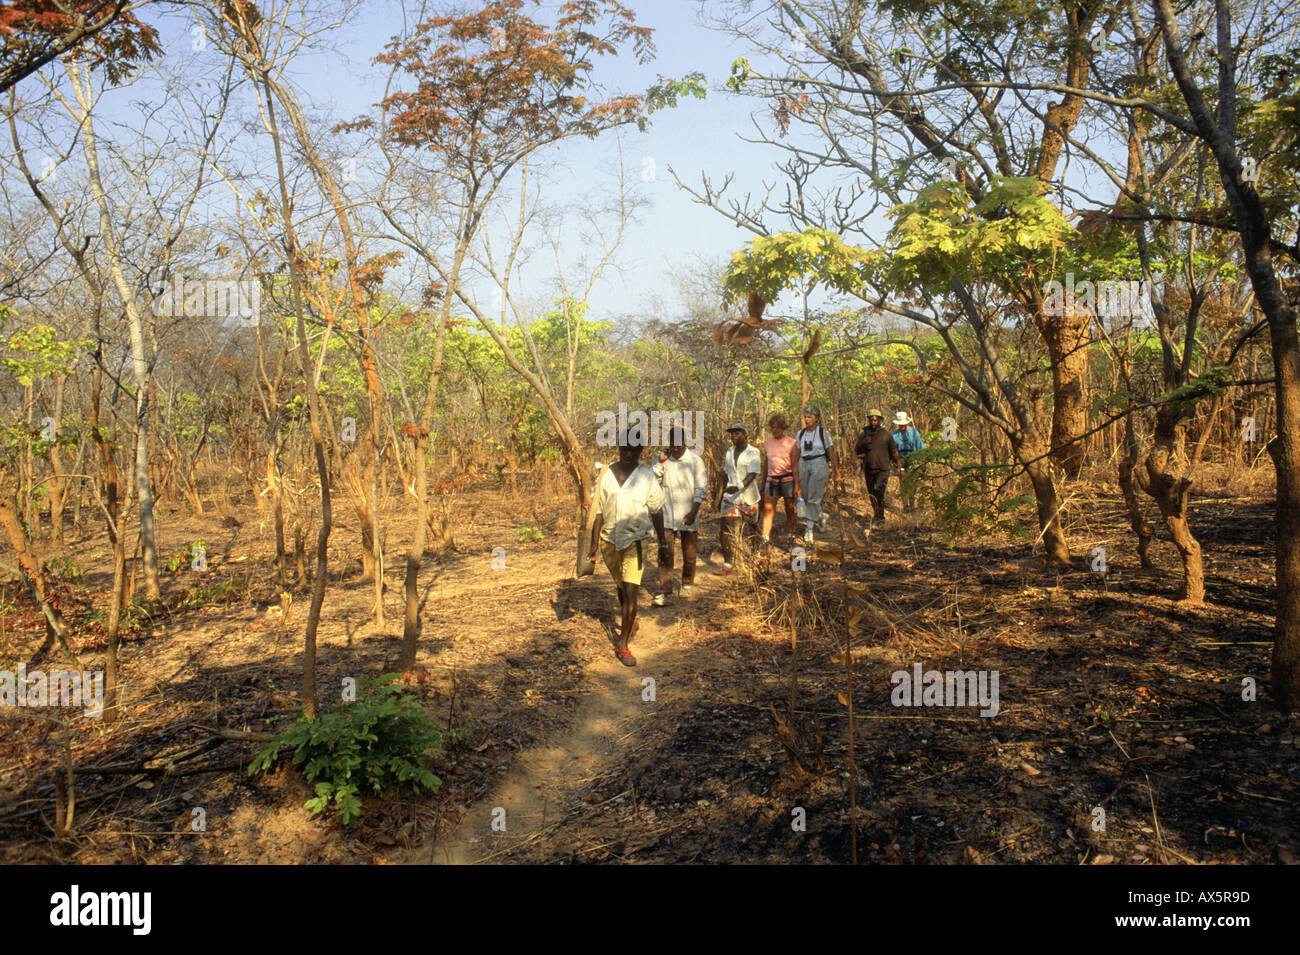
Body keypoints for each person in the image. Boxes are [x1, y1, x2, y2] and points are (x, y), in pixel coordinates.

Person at [586, 431, 666, 667]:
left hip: (636, 540)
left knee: (631, 590)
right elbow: (598, 512)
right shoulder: (605, 475)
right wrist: (593, 545)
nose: (629, 454)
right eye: (625, 449)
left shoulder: (646, 476)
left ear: (642, 451)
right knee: (621, 587)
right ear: (618, 448)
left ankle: (623, 645)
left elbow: (657, 510)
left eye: (634, 450)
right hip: (609, 540)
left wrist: (662, 543)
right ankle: (631, 621)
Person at [652, 426, 708, 605]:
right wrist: (660, 463)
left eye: (678, 444)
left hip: (688, 513)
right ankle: (665, 589)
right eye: (671, 444)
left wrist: (694, 511)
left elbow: (701, 488)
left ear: (685, 442)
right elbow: (652, 480)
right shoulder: (663, 459)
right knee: (665, 552)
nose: (675, 448)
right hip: (667, 515)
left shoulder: (695, 461)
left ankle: (686, 584)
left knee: (689, 553)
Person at [715, 422, 762, 576]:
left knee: (753, 527)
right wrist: (720, 495)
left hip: (748, 496)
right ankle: (728, 564)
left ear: (745, 435)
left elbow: (753, 474)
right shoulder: (729, 453)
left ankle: (758, 556)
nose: (734, 436)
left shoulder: (753, 452)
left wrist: (739, 486)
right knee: (725, 528)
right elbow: (726, 474)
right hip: (731, 497)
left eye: (737, 433)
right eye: (732, 434)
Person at [793, 404, 844, 544]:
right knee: (805, 496)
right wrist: (795, 471)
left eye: (809, 417)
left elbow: (831, 453)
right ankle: (821, 516)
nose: (807, 419)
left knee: (815, 496)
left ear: (816, 419)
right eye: (805, 417)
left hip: (819, 462)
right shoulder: (800, 434)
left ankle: (809, 528)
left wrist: (836, 471)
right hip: (804, 463)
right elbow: (796, 453)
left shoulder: (824, 434)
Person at [853, 409, 901, 524]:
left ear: (880, 420)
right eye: (871, 419)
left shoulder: (886, 435)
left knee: (879, 491)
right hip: (868, 468)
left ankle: (881, 518)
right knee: (872, 494)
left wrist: (900, 466)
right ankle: (876, 516)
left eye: (875, 419)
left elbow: (894, 451)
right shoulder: (864, 434)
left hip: (883, 469)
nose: (873, 422)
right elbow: (857, 450)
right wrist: (863, 442)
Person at [759, 412, 799, 545]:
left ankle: (792, 534)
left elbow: (794, 465)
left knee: (790, 509)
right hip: (772, 479)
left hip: (787, 479)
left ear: (783, 427)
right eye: (773, 427)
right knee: (768, 510)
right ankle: (765, 538)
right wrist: (762, 481)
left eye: (778, 427)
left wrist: (797, 485)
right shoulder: (767, 442)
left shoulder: (791, 443)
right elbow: (766, 462)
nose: (775, 430)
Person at [892, 412, 925, 512]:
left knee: (912, 483)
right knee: (902, 482)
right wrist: (898, 465)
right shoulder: (894, 435)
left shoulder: (914, 433)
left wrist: (923, 463)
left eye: (904, 424)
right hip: (900, 460)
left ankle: (912, 505)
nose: (902, 426)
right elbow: (893, 450)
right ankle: (905, 506)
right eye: (900, 424)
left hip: (913, 458)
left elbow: (920, 448)